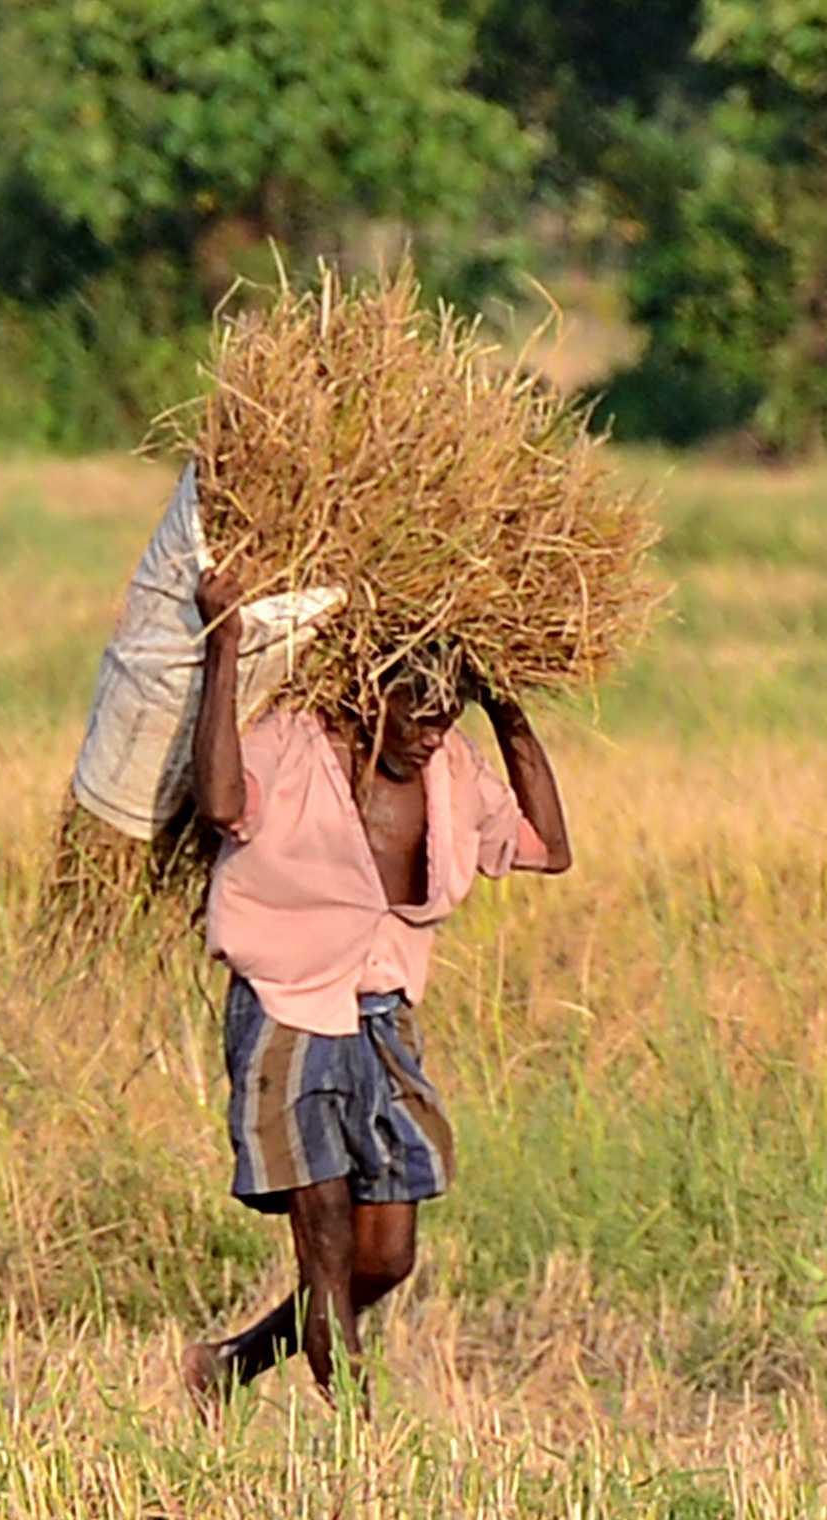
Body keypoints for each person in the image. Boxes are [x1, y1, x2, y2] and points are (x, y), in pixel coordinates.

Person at [182, 558, 571, 1402]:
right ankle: (362, 1442)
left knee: (386, 1257)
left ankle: (229, 1365)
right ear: (369, 698)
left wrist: (508, 709)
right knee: (324, 1253)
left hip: (382, 1021)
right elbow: (219, 806)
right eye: (419, 716)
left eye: (447, 717)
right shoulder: (294, 745)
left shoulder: (453, 771)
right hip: (288, 1012)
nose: (431, 734)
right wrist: (224, 647)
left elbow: (551, 848)